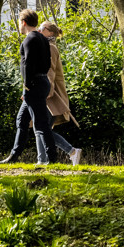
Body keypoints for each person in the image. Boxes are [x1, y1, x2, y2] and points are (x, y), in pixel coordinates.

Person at [0, 9, 60, 166]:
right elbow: (46, 64)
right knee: (22, 120)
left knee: (40, 123)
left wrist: (27, 86)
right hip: (42, 82)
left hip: (33, 85)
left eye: (19, 22)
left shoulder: (29, 39)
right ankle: (13, 156)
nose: (19, 25)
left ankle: (52, 158)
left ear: (23, 22)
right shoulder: (43, 39)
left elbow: (27, 65)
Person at [37, 20, 83, 166]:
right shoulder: (47, 46)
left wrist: (47, 92)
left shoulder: (50, 47)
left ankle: (70, 151)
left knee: (42, 128)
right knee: (42, 128)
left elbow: (49, 72)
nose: (39, 30)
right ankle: (43, 159)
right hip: (49, 94)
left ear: (50, 32)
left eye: (42, 28)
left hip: (51, 96)